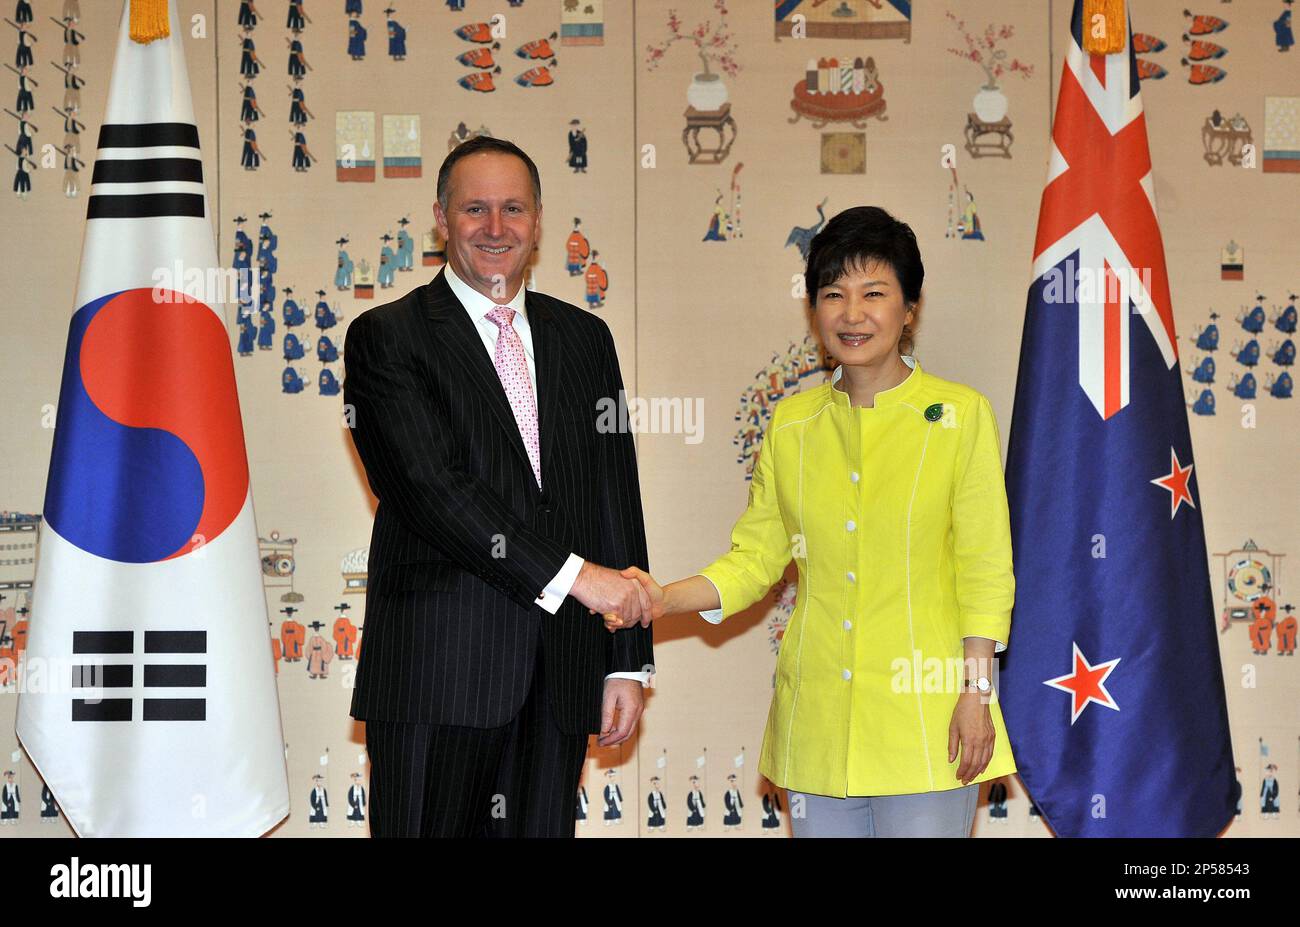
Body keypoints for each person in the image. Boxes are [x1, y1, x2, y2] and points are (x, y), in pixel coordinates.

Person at [609, 206, 1017, 838]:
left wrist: (977, 694)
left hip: (928, 720)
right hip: (815, 727)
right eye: (834, 294)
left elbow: (986, 574)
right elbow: (755, 559)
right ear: (814, 309)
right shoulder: (793, 425)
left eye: (874, 293)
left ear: (909, 308)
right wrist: (665, 598)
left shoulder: (962, 416)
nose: (852, 314)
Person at [343, 135, 654, 837]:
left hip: (560, 677)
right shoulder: (387, 337)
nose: (495, 227)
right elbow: (432, 490)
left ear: (539, 220)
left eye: (513, 208)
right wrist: (578, 577)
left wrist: (627, 660)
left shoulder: (586, 339)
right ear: (441, 218)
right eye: (474, 208)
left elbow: (615, 497)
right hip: (438, 675)